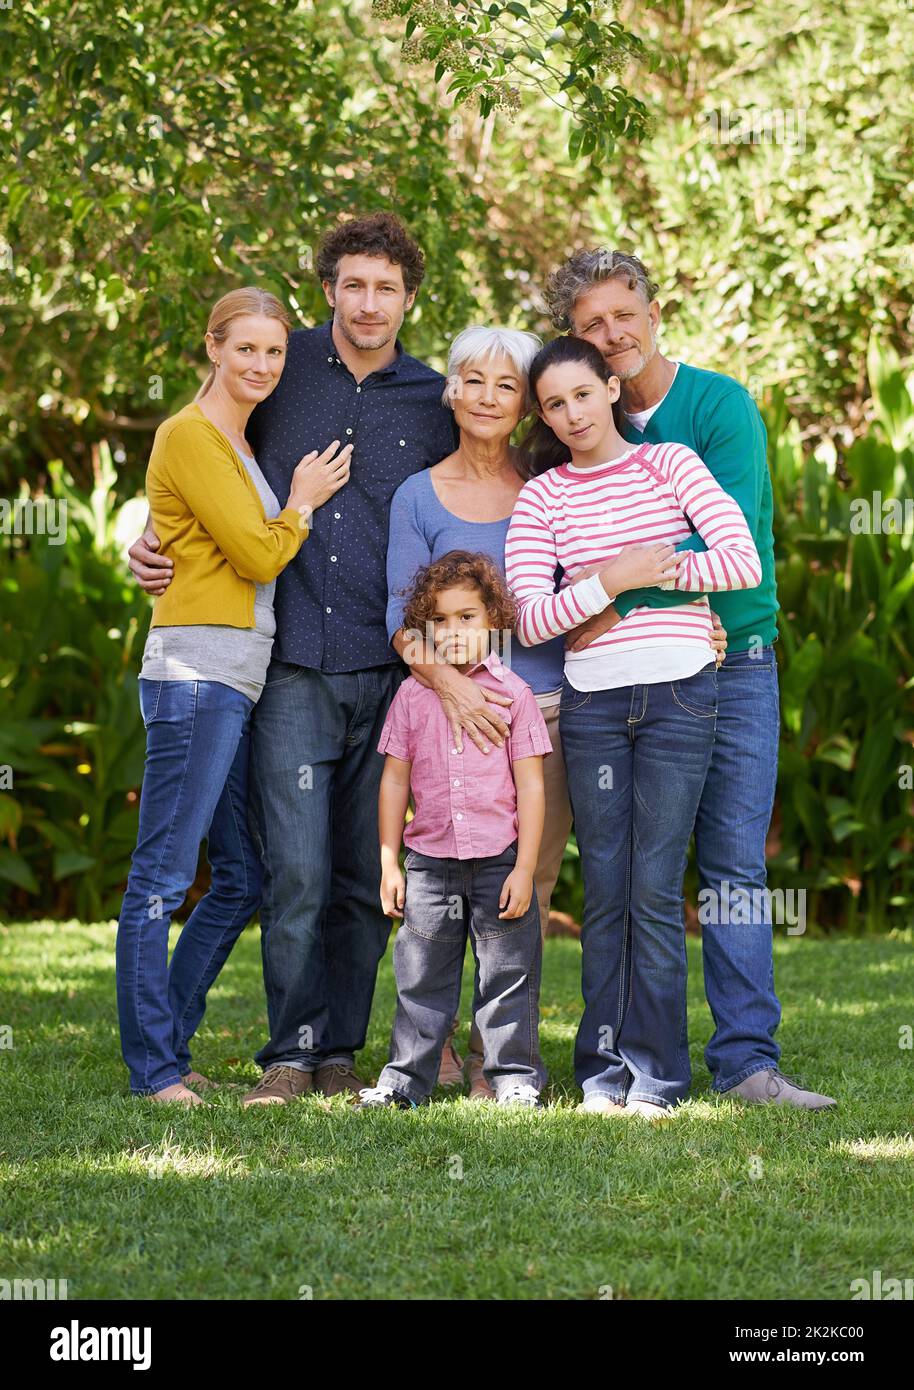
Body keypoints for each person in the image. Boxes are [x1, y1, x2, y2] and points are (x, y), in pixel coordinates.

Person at [127, 214, 461, 1105]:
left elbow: (485, 490)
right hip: (288, 668)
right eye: (353, 284)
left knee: (360, 876)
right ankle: (288, 1052)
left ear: (409, 299)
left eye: (387, 288)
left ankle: (340, 1051)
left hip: (388, 670)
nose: (369, 303)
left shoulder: (432, 401)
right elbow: (202, 450)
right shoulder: (276, 371)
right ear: (328, 290)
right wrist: (143, 539)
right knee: (296, 874)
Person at [544, 249, 835, 1110]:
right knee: (632, 874)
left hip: (733, 661)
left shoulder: (717, 407)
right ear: (575, 341)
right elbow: (560, 560)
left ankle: (747, 1061)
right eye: (591, 326)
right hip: (625, 683)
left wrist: (620, 590)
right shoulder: (581, 419)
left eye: (622, 315)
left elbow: (733, 554)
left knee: (735, 866)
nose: (612, 335)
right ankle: (631, 1062)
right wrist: (602, 601)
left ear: (654, 309)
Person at [506, 335, 762, 1117]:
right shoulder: (542, 497)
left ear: (610, 388)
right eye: (554, 404)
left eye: (583, 394)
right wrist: (615, 578)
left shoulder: (673, 464)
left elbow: (740, 562)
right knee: (608, 888)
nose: (572, 413)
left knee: (653, 888)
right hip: (594, 709)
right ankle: (601, 1074)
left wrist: (643, 584)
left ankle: (656, 1078)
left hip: (681, 697)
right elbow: (531, 618)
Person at [116, 288, 351, 1103]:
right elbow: (255, 554)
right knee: (162, 875)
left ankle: (169, 1046)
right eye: (244, 348)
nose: (260, 364)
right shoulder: (188, 434)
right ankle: (151, 1070)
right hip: (195, 677)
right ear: (212, 346)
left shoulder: (235, 443)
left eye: (274, 352)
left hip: (236, 679)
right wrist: (302, 504)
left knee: (242, 876)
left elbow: (196, 541)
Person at [385, 325, 570, 1098]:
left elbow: (591, 581)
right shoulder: (417, 494)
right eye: (475, 380)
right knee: (437, 898)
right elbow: (400, 620)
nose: (489, 398)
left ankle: (496, 1054)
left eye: (507, 385)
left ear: (525, 400)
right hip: (443, 717)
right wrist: (454, 688)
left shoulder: (550, 486)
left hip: (548, 712)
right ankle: (434, 1056)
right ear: (451, 391)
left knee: (526, 889)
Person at [359, 551, 551, 1110]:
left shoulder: (515, 696)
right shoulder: (412, 696)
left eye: (467, 617)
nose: (453, 631)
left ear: (495, 620)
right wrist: (389, 860)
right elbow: (394, 781)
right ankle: (405, 1082)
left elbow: (532, 786)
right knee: (421, 977)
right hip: (429, 864)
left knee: (508, 975)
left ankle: (513, 1077)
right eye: (439, 620)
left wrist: (524, 867)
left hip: (499, 860)